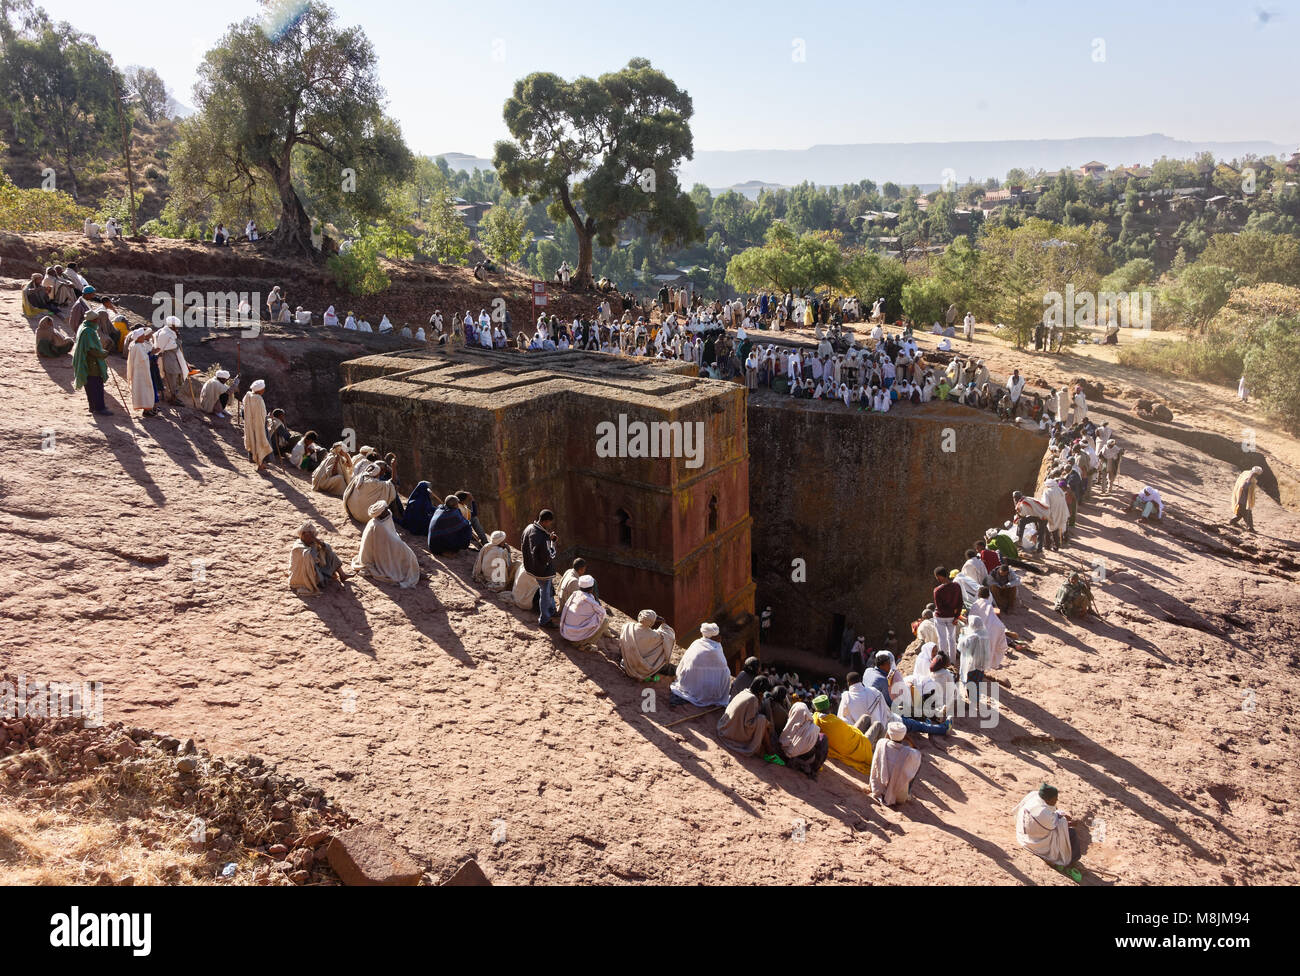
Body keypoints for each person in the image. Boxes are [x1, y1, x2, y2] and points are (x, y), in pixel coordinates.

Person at [351, 500, 421, 588]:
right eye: (386, 510)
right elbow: (389, 546)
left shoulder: (380, 521)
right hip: (373, 558)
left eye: (387, 509)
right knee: (406, 553)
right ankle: (412, 571)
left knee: (405, 550)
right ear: (380, 514)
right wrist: (403, 548)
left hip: (380, 551)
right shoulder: (378, 527)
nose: (388, 511)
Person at [1015, 783, 1079, 869]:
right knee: (1071, 833)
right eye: (1055, 799)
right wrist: (1068, 823)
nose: (1056, 800)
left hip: (1023, 833)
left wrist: (1061, 815)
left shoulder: (1034, 796)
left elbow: (1052, 815)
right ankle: (1071, 861)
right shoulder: (1042, 812)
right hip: (1034, 842)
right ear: (1047, 800)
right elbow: (1055, 825)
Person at [669, 622, 732, 707]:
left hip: (688, 681)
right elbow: (723, 669)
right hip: (703, 686)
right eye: (717, 636)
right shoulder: (713, 650)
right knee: (727, 673)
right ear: (711, 637)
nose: (720, 637)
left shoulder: (697, 642)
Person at [811, 694, 873, 775]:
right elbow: (847, 731)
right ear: (829, 707)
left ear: (817, 710)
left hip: (850, 736)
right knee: (877, 724)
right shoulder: (834, 722)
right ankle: (873, 753)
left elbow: (846, 730)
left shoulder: (815, 719)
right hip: (855, 747)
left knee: (865, 717)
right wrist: (859, 736)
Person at [521, 509, 559, 628]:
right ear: (546, 521)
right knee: (545, 592)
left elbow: (524, 544)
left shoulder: (529, 528)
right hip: (542, 571)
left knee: (546, 589)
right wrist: (552, 542)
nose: (549, 525)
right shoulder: (543, 537)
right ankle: (545, 619)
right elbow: (550, 556)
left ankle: (551, 609)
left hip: (531, 567)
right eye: (549, 523)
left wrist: (548, 538)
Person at [869, 721, 922, 805]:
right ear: (904, 735)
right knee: (916, 764)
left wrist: (890, 734)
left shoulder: (881, 743)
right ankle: (907, 793)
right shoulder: (910, 753)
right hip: (898, 797)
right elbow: (917, 751)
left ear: (889, 733)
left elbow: (885, 739)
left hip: (877, 788)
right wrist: (908, 739)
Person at [288, 521, 347, 595]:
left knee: (331, 554)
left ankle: (342, 575)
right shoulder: (298, 547)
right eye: (307, 535)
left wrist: (317, 541)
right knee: (321, 579)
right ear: (302, 535)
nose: (310, 536)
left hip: (317, 567)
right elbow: (309, 558)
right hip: (308, 574)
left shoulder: (313, 542)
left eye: (312, 534)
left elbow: (328, 549)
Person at [716, 677, 770, 756]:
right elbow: (748, 724)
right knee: (762, 719)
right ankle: (769, 750)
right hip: (730, 735)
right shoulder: (753, 699)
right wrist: (766, 723)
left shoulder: (744, 692)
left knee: (762, 720)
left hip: (725, 728)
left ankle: (769, 749)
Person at [618, 610, 675, 681]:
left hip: (626, 663)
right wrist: (663, 623)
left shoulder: (627, 627)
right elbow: (669, 636)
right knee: (670, 668)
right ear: (652, 621)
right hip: (643, 668)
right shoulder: (655, 636)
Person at [71, 315, 112, 415]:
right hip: (92, 364)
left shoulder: (84, 327)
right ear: (93, 320)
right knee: (96, 386)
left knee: (90, 386)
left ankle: (93, 406)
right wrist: (104, 353)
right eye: (97, 320)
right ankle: (99, 408)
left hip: (88, 362)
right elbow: (92, 350)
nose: (98, 321)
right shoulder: (88, 331)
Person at [838, 671, 892, 739]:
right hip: (878, 734)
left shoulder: (846, 698)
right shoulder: (875, 692)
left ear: (848, 683)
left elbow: (842, 720)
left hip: (858, 738)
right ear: (861, 680)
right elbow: (886, 712)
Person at [559, 575, 607, 644]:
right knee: (605, 621)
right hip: (575, 637)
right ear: (591, 589)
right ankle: (584, 643)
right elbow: (603, 614)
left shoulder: (574, 594)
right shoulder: (591, 602)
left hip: (566, 632)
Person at [124, 328, 158, 418]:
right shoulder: (138, 347)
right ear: (138, 337)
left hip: (141, 372)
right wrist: (152, 353)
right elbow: (143, 359)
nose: (144, 337)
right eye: (142, 336)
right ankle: (147, 410)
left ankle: (147, 409)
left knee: (145, 390)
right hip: (141, 374)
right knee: (145, 390)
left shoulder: (138, 345)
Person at [242, 380, 272, 470]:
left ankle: (260, 463)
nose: (264, 390)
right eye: (263, 389)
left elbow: (244, 412)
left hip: (250, 426)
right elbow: (261, 415)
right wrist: (268, 418)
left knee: (253, 442)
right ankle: (260, 464)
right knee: (261, 443)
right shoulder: (258, 399)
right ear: (260, 390)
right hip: (259, 426)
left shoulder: (248, 396)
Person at [932, 566, 962, 657]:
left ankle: (943, 661)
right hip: (952, 617)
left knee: (942, 639)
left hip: (941, 617)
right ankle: (952, 661)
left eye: (937, 577)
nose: (937, 579)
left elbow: (939, 607)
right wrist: (956, 616)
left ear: (940, 576)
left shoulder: (937, 590)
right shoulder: (957, 586)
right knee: (952, 639)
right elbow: (960, 602)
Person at [1228, 466, 1263, 533]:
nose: (1256, 476)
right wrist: (1250, 479)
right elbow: (1244, 486)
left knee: (1240, 513)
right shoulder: (1249, 478)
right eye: (1256, 475)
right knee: (1248, 513)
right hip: (1243, 498)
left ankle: (1233, 521)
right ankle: (1250, 528)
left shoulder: (1246, 473)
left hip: (1241, 497)